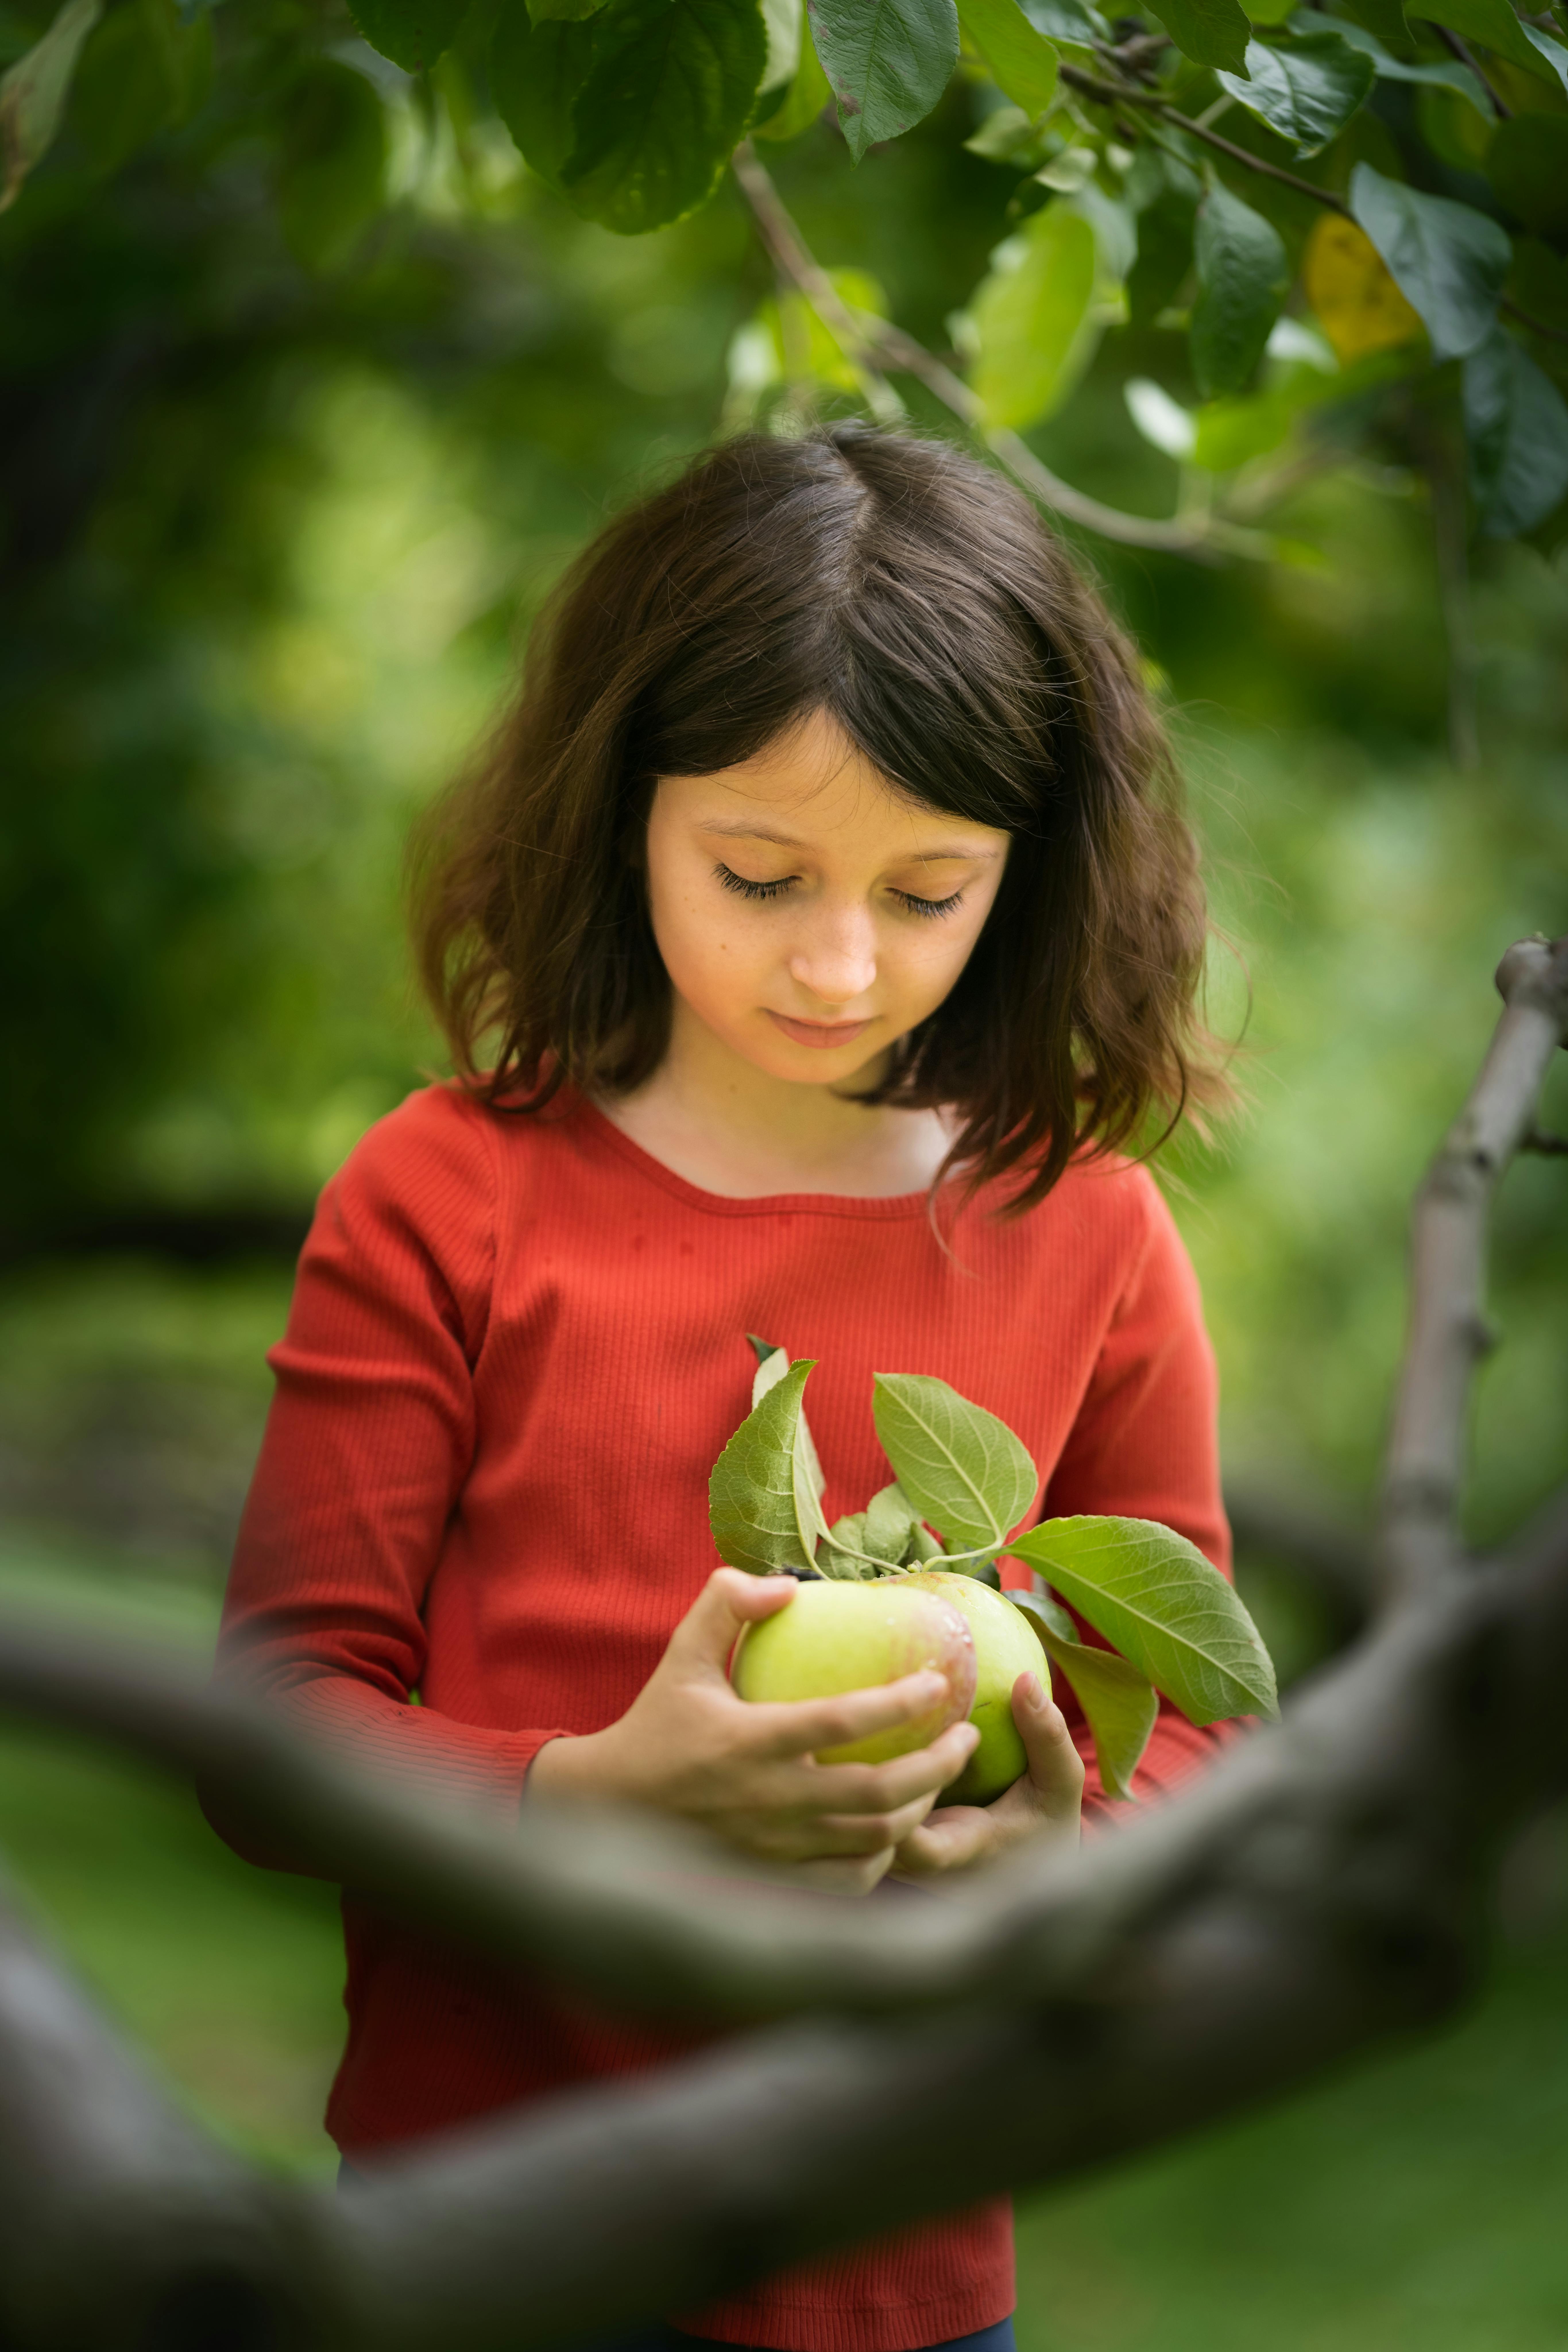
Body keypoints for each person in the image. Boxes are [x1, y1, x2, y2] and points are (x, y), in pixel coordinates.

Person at [209, 425, 1238, 2352]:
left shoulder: (1086, 1232)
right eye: (759, 874)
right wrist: (586, 1795)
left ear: (1030, 873)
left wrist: (1065, 1847)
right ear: (624, 812)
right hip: (488, 2225)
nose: (838, 964)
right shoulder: (448, 1195)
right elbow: (274, 1730)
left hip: (891, 2252)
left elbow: (1190, 1706)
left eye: (927, 893)